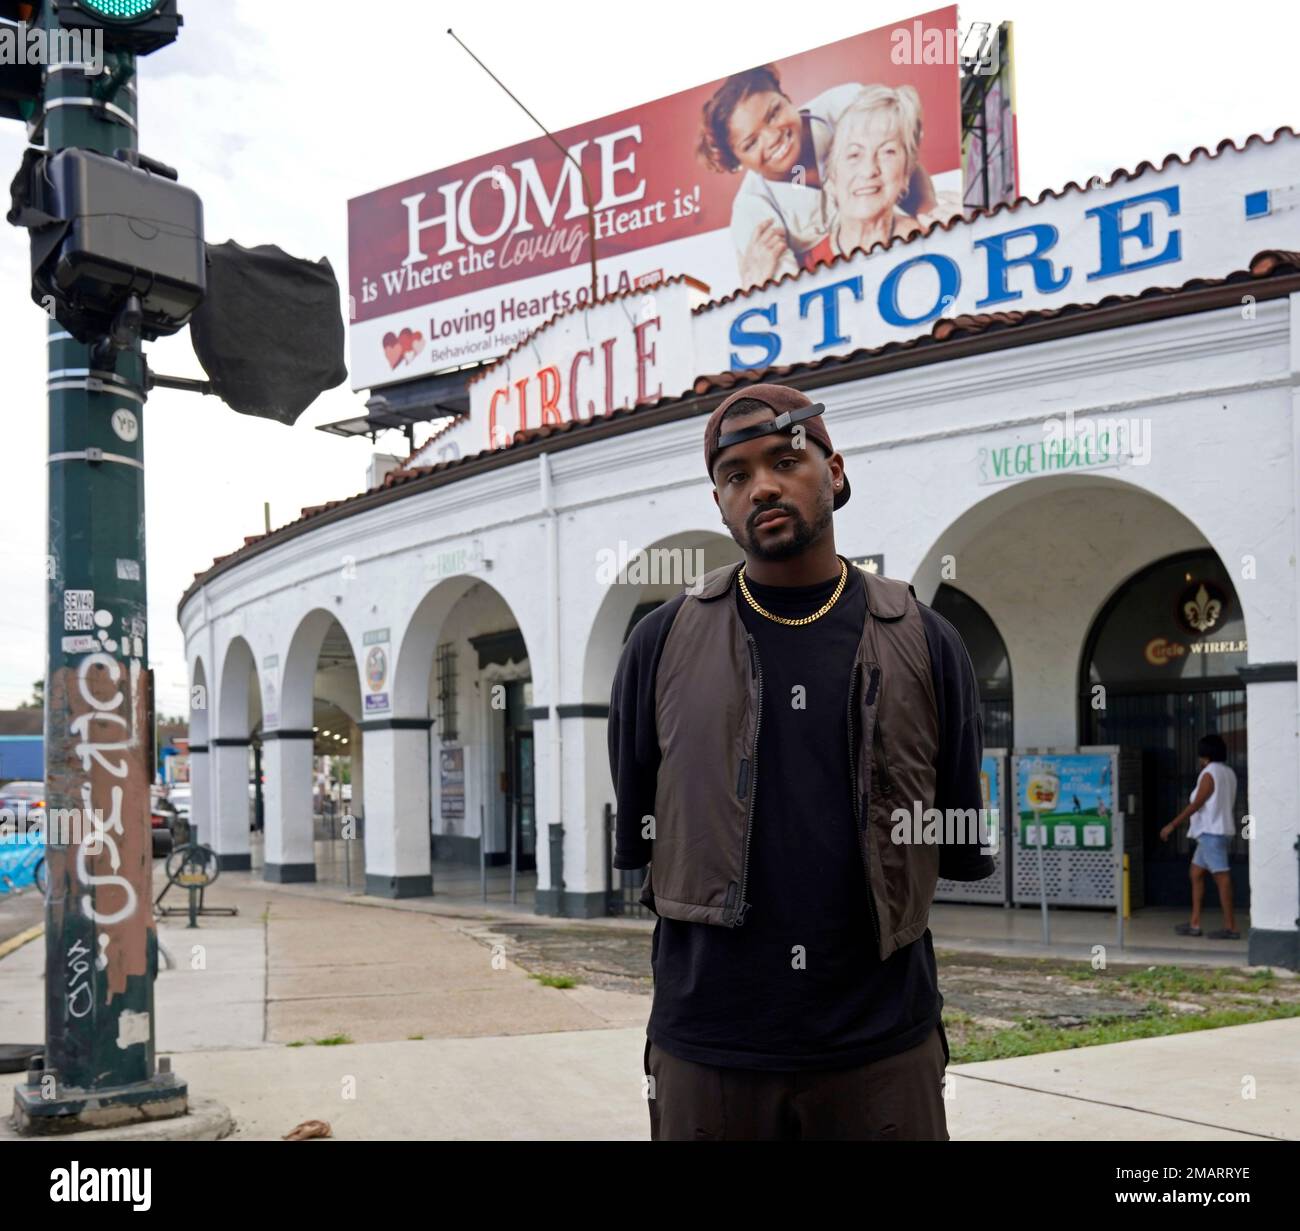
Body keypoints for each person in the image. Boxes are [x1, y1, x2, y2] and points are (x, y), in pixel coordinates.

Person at [608, 382, 992, 1141]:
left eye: (786, 460)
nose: (763, 486)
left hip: (882, 1042)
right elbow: (644, 830)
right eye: (736, 475)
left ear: (836, 472)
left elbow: (950, 833)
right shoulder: (659, 645)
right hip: (709, 1048)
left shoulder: (923, 639)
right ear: (719, 504)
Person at [696, 66, 948, 289]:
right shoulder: (752, 209)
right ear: (737, 162)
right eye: (751, 143)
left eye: (773, 114)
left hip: (895, 252)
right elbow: (784, 293)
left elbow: (902, 162)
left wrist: (929, 217)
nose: (772, 137)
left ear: (786, 97)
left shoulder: (843, 105)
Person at [1161, 734, 1240, 939]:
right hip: (1216, 832)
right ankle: (1195, 924)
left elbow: (1196, 804)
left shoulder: (1209, 773)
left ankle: (1230, 928)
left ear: (1204, 754)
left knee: (1222, 878)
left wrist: (1172, 825)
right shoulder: (1228, 772)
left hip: (1211, 833)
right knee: (1196, 874)